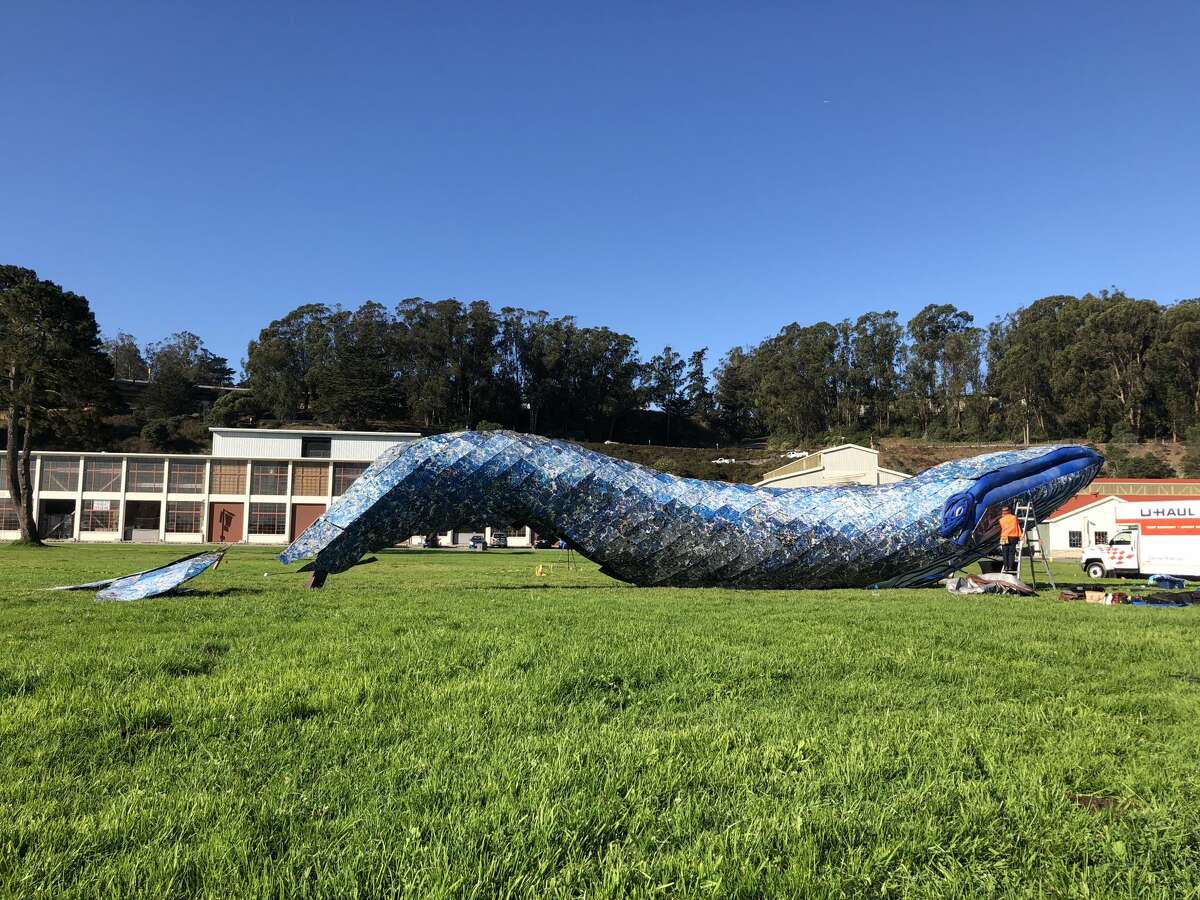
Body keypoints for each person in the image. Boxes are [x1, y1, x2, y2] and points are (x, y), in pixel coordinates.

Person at [999, 506, 1022, 572]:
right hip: (1013, 537)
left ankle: (1006, 566)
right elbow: (1018, 525)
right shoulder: (1014, 518)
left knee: (1005, 552)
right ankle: (1010, 567)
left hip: (1004, 537)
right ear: (1009, 511)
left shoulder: (1001, 520)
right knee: (1011, 552)